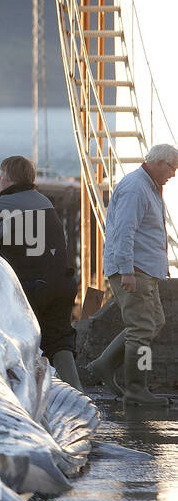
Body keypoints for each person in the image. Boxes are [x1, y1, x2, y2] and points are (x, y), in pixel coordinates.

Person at [84, 144, 178, 406]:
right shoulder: (136, 188)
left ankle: (104, 364)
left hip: (145, 270)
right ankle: (138, 388)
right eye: (172, 168)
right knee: (142, 329)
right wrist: (127, 270)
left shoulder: (148, 186)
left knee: (154, 322)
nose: (173, 174)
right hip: (134, 271)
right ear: (158, 163)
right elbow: (123, 231)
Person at [0, 155, 82, 388]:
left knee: (18, 336)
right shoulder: (45, 201)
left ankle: (24, 395)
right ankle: (77, 391)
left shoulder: (3, 206)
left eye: (2, 174)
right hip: (63, 283)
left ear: (8, 178)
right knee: (59, 340)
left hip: (33, 286)